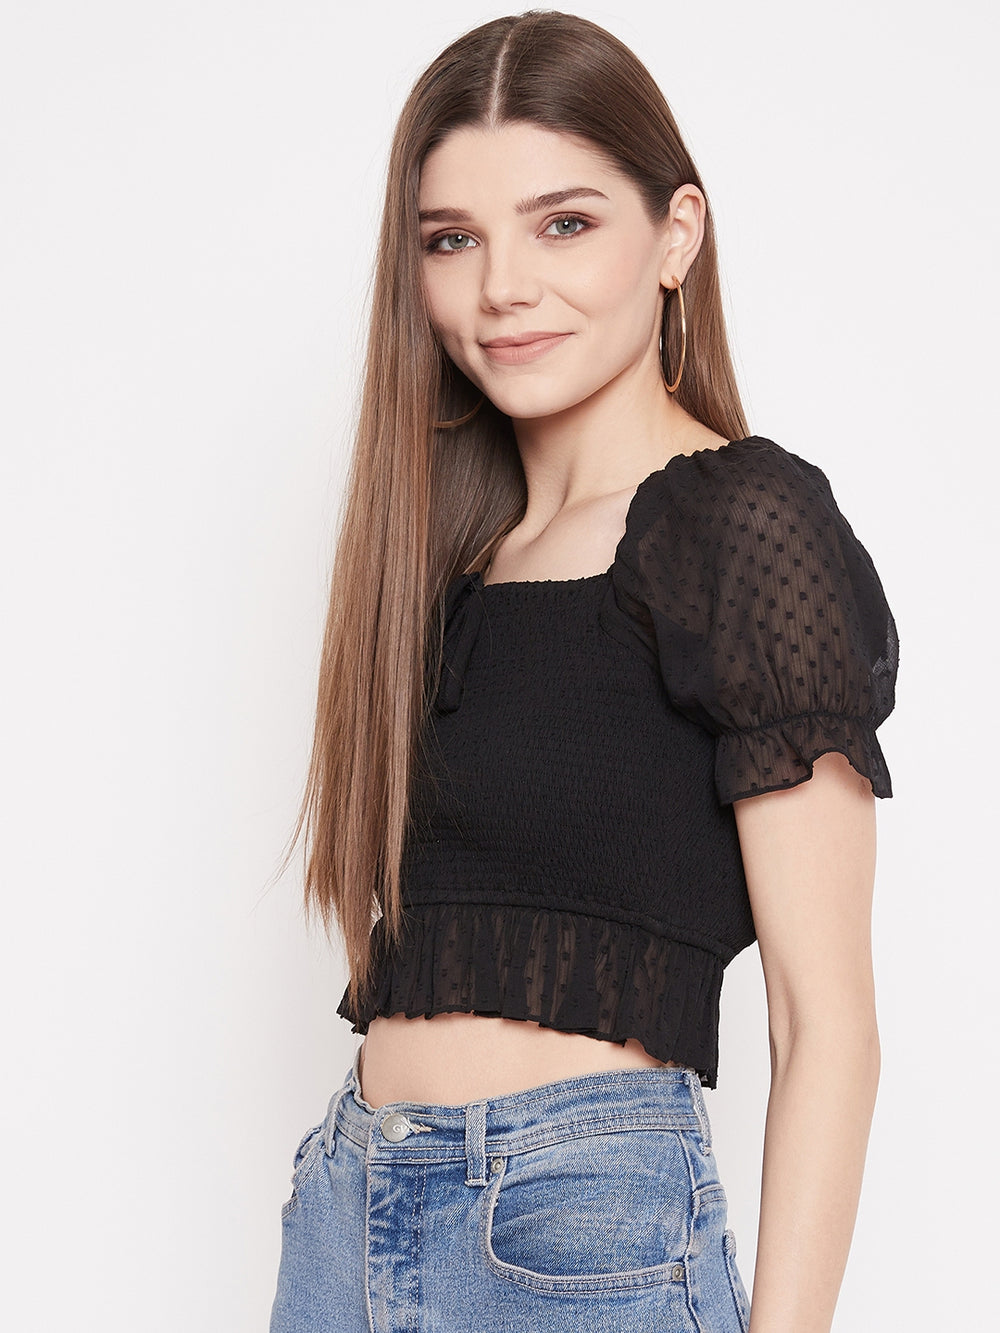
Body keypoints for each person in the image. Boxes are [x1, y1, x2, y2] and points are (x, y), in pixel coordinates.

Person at [269, 11, 899, 1332]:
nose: (503, 286)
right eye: (452, 239)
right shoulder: (442, 561)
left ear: (676, 236)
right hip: (346, 1213)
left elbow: (825, 1022)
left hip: (577, 1233)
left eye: (563, 224)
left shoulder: (741, 525)